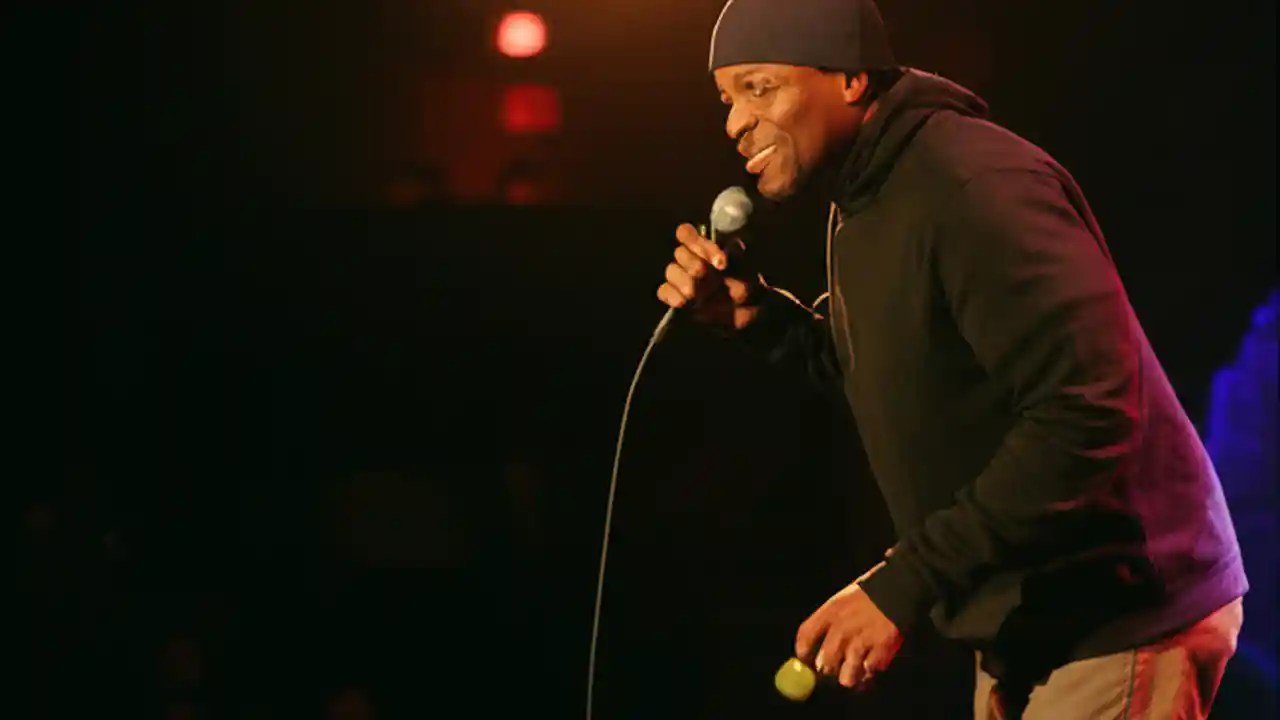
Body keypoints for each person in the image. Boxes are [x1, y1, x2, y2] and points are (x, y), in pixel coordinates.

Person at [654, 1, 1248, 717]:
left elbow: (1088, 414)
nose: (734, 123)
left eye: (759, 87)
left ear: (848, 77)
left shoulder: (971, 184)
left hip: (1112, 613)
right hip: (1028, 618)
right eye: (727, 98)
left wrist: (904, 584)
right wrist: (764, 321)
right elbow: (904, 369)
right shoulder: (866, 195)